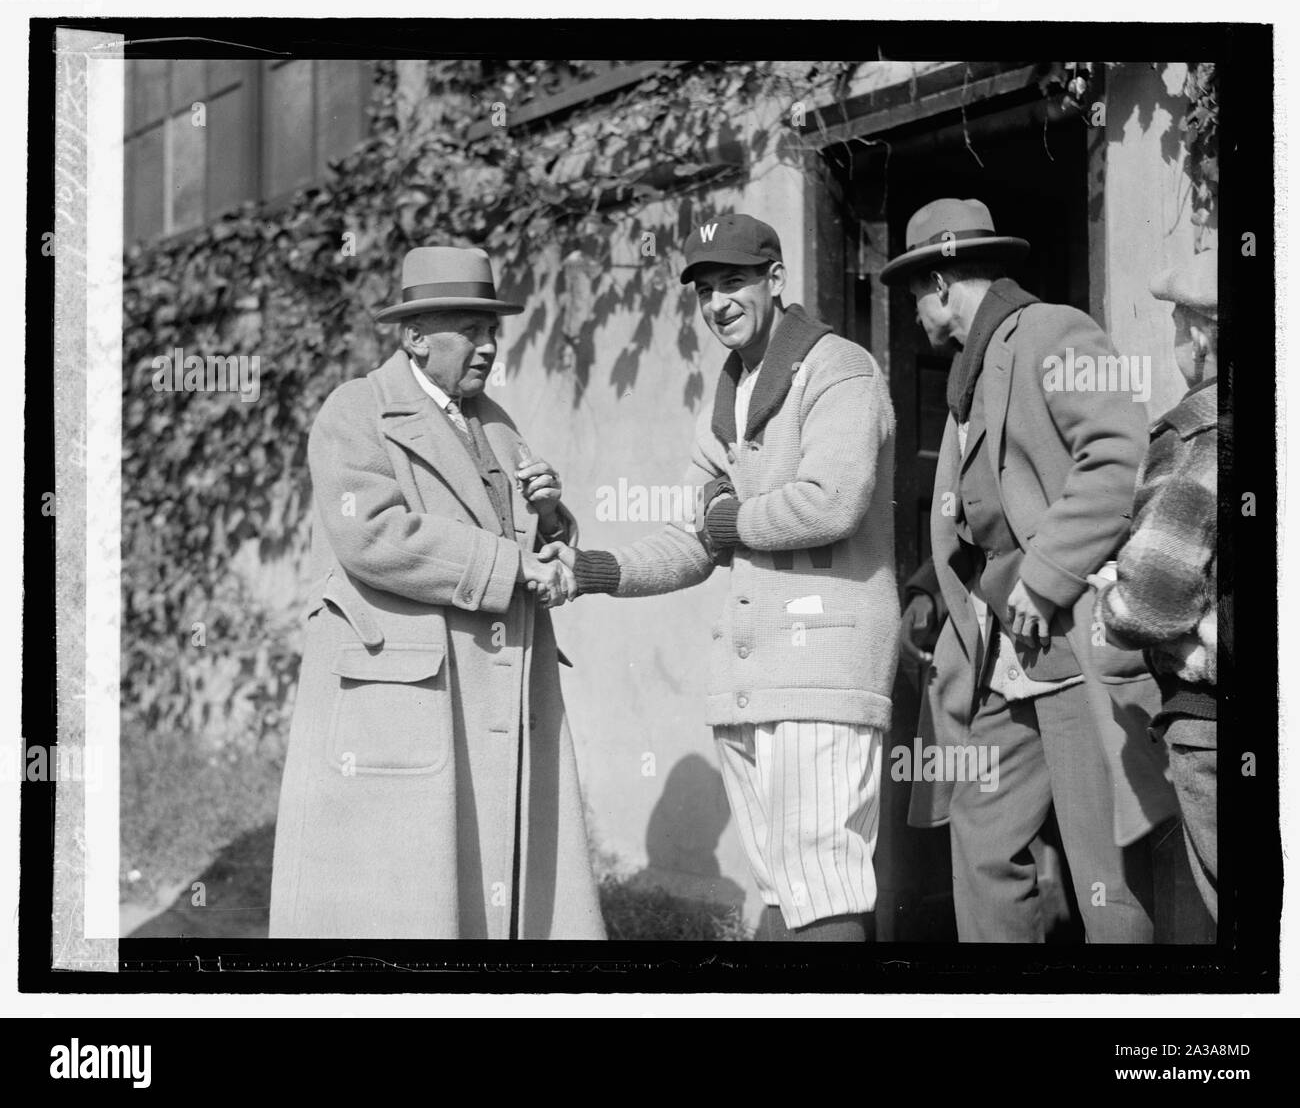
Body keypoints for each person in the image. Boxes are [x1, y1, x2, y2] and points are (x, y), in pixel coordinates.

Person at [544, 213, 899, 941]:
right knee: (780, 880)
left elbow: (829, 503)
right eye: (705, 290)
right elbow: (694, 534)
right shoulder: (731, 391)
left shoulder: (840, 369)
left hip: (823, 665)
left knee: (822, 881)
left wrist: (727, 519)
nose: (717, 304)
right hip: (751, 676)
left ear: (775, 281)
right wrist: (590, 569)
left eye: (733, 282)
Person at [268, 246, 604, 940]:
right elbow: (375, 537)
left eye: (491, 329)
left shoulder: (497, 423)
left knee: (496, 892)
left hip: (497, 686)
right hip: (404, 696)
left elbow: (521, 540)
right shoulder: (357, 412)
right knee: (399, 905)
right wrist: (512, 566)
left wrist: (549, 516)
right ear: (415, 336)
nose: (487, 345)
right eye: (469, 329)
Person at [883, 197, 1177, 943]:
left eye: (916, 289)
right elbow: (979, 511)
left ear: (944, 281)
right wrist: (930, 586)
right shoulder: (971, 370)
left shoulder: (1051, 331)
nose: (914, 309)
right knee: (981, 837)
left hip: (1071, 643)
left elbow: (1116, 458)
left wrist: (1045, 578)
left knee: (1101, 865)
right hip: (1000, 656)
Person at [1094, 249, 1222, 936]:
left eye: (1177, 325)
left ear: (1198, 336)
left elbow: (1151, 602)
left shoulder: (1199, 433)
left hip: (1214, 718)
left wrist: (1109, 595)